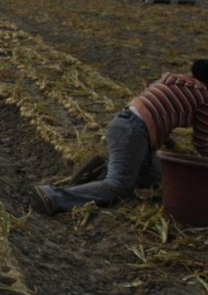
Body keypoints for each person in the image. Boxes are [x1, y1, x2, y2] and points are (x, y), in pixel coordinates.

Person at [31, 60, 208, 215]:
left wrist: (170, 143)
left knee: (158, 181)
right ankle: (52, 196)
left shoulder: (177, 81)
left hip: (127, 125)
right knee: (120, 184)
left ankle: (104, 169)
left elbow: (159, 111)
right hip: (135, 133)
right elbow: (203, 143)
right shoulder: (205, 96)